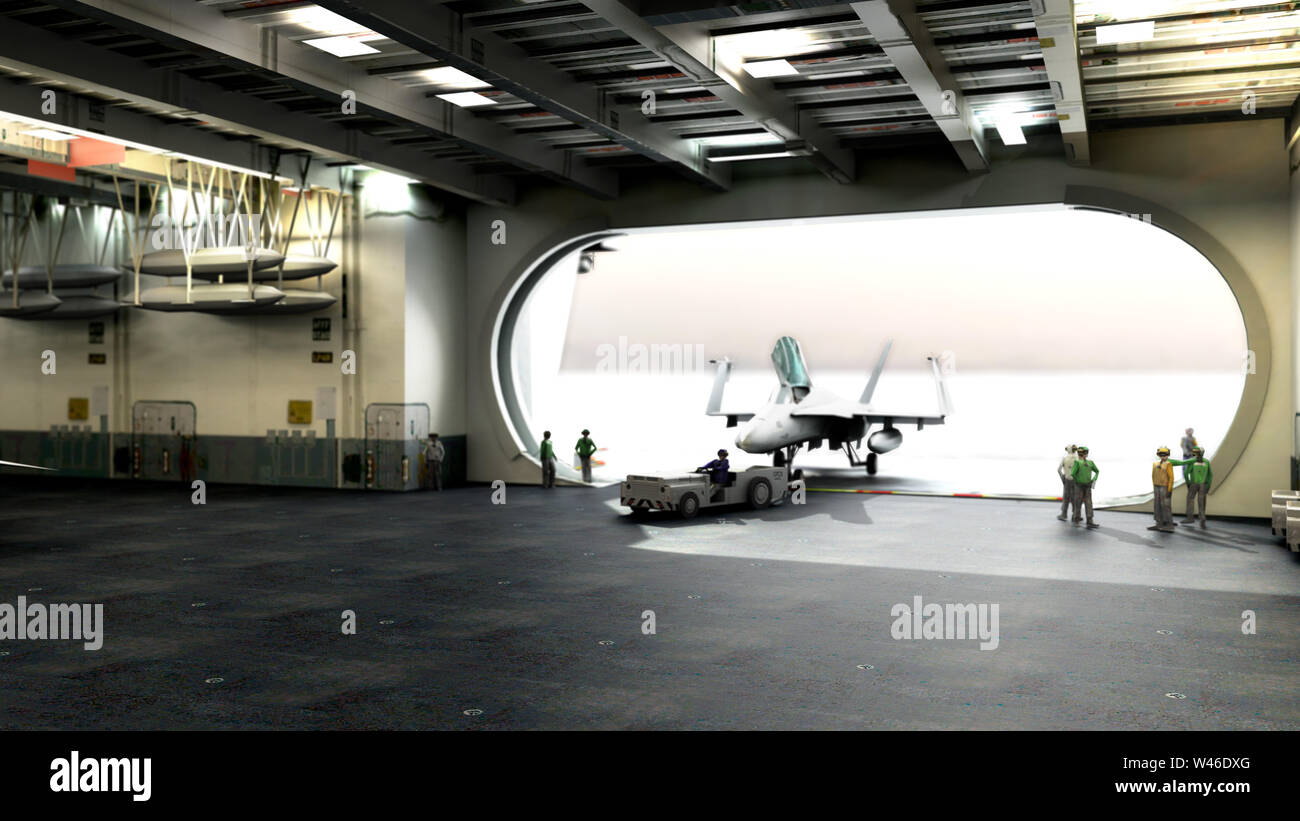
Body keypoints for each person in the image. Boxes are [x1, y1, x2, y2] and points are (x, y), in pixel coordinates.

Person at [1172, 446, 1212, 528]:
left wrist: (1188, 483)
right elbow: (1210, 475)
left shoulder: (1193, 461)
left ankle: (1190, 518)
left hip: (1194, 483)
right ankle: (1202, 518)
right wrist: (1208, 486)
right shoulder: (1207, 462)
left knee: (1190, 499)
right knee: (1202, 501)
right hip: (1203, 484)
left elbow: (1186, 472)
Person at [1069, 446, 1099, 529]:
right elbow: (1073, 473)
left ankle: (1089, 520)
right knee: (1078, 502)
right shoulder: (1077, 462)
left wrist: (1094, 479)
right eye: (1085, 453)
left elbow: (1097, 471)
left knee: (1088, 503)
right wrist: (1077, 480)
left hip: (1087, 485)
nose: (1085, 454)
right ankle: (1076, 519)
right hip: (1079, 486)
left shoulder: (1090, 463)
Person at [1148, 446, 1176, 532]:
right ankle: (1158, 523)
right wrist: (1154, 486)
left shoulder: (1168, 464)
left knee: (1165, 505)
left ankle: (1169, 524)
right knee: (1157, 505)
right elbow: (1153, 476)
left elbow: (1171, 478)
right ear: (1159, 455)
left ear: (1167, 455)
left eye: (1165, 455)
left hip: (1164, 487)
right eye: (1161, 455)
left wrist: (1169, 489)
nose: (1163, 456)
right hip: (1156, 486)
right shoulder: (1155, 464)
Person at [1057, 444, 1078, 521]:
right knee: (1075, 498)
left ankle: (1064, 514)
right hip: (1075, 480)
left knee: (1066, 498)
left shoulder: (1065, 459)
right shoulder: (1077, 459)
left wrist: (1063, 478)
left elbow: (1059, 470)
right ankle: (1075, 515)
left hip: (1067, 479)